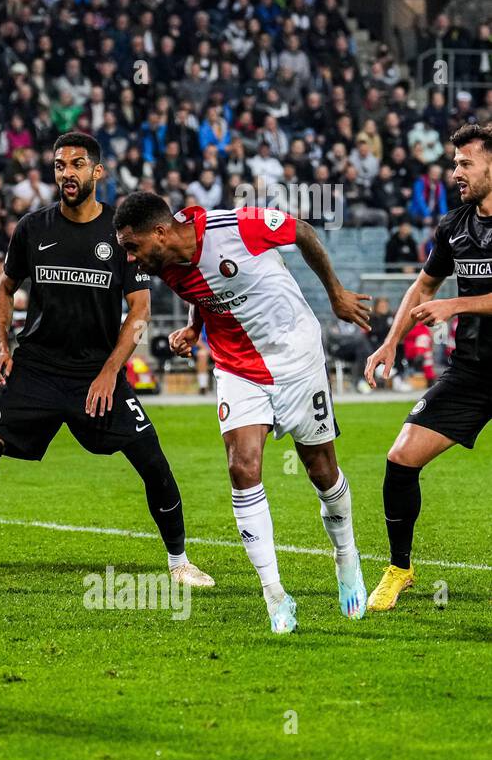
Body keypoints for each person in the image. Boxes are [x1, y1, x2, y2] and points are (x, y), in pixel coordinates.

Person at [0, 134, 213, 594]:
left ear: (97, 172)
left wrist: (109, 373)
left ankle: (180, 563)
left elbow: (140, 311)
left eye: (77, 164)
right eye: (60, 165)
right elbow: (4, 290)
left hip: (96, 377)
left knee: (152, 461)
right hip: (35, 372)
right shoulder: (32, 228)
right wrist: (0, 346)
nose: (67, 173)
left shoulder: (121, 234)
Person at [114, 191, 372, 633]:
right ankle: (275, 595)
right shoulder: (165, 264)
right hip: (237, 367)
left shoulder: (233, 228)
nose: (130, 258)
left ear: (160, 232)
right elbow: (204, 290)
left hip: (295, 355)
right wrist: (194, 327)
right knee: (242, 467)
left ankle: (346, 557)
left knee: (321, 469)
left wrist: (335, 295)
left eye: (133, 247)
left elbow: (303, 231)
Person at [364, 123, 492, 610]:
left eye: (466, 163)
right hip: (472, 372)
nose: (455, 172)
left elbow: (444, 301)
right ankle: (400, 569)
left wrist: (456, 306)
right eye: (454, 163)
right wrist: (390, 343)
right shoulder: (454, 226)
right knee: (401, 458)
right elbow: (422, 288)